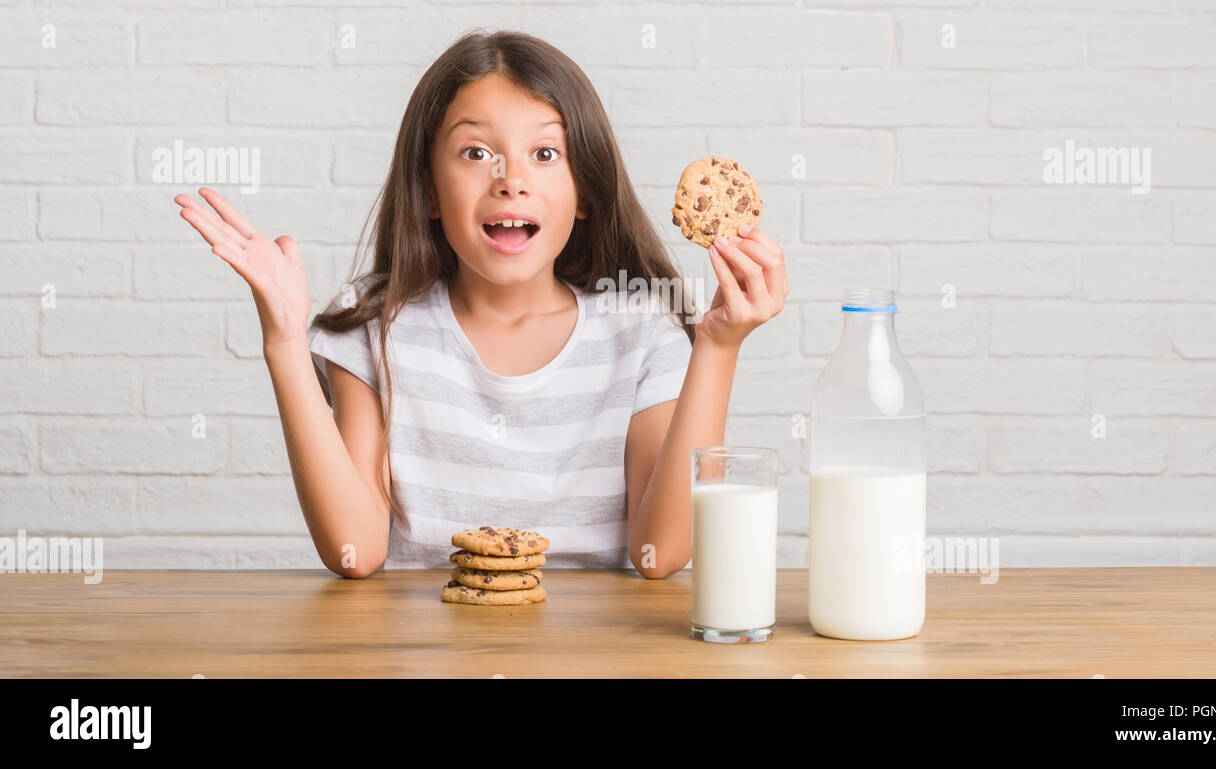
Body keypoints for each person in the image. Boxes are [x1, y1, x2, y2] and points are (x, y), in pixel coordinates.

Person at [173, 30, 788, 578]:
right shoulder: (375, 325)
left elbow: (664, 552)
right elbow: (354, 552)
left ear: (583, 194)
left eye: (545, 155)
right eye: (475, 153)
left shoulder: (640, 329)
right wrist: (283, 343)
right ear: (430, 191)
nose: (509, 178)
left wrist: (719, 346)